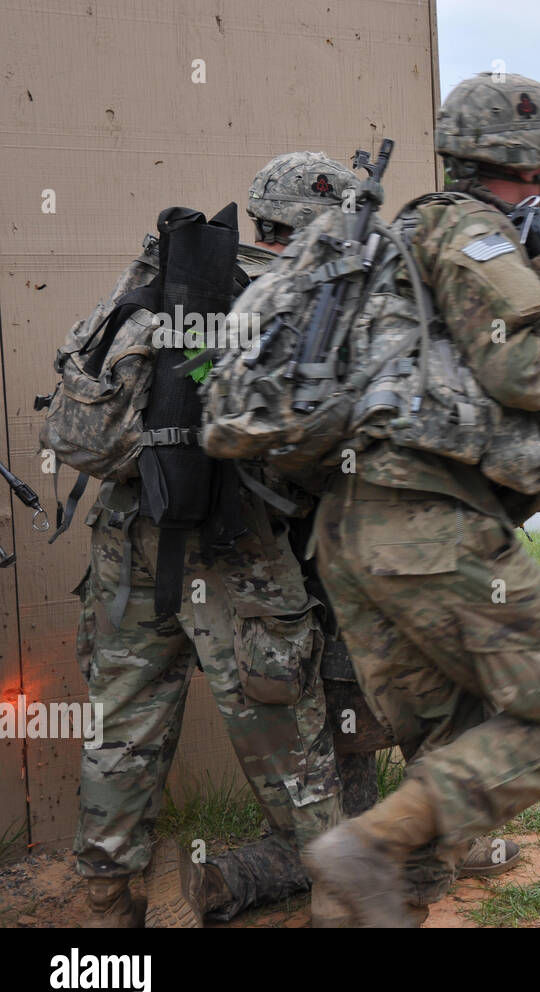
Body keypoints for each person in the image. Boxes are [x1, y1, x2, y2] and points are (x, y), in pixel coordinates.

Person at [305, 72, 540, 926]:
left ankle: (374, 890)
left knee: (452, 747)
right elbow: (517, 367)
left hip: (351, 527)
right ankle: (360, 848)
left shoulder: (392, 241)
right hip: (427, 523)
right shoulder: (471, 235)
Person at [70, 153, 359, 928]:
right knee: (289, 737)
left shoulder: (167, 273)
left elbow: (80, 407)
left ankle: (106, 912)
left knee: (120, 733)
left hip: (131, 539)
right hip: (239, 551)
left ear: (260, 212)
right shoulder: (307, 300)